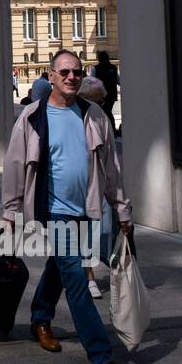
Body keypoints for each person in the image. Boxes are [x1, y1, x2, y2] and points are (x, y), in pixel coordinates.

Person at [1, 49, 134, 364]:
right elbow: (15, 166)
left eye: (76, 71)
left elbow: (111, 170)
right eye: (65, 72)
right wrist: (10, 212)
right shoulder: (32, 117)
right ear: (50, 77)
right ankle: (103, 360)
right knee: (76, 279)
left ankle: (40, 318)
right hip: (54, 210)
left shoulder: (95, 115)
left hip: (87, 210)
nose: (72, 77)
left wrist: (121, 209)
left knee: (58, 269)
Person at [78, 75, 109, 298]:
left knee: (97, 231)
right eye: (96, 101)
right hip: (73, 186)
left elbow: (110, 159)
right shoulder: (69, 117)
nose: (99, 105)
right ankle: (86, 277)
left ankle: (88, 275)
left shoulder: (100, 118)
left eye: (101, 101)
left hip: (96, 183)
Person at [93, 50, 120, 135]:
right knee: (107, 111)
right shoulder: (113, 68)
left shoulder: (96, 69)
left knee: (105, 112)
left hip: (100, 96)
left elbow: (92, 81)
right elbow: (118, 80)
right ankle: (111, 130)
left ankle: (108, 130)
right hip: (111, 95)